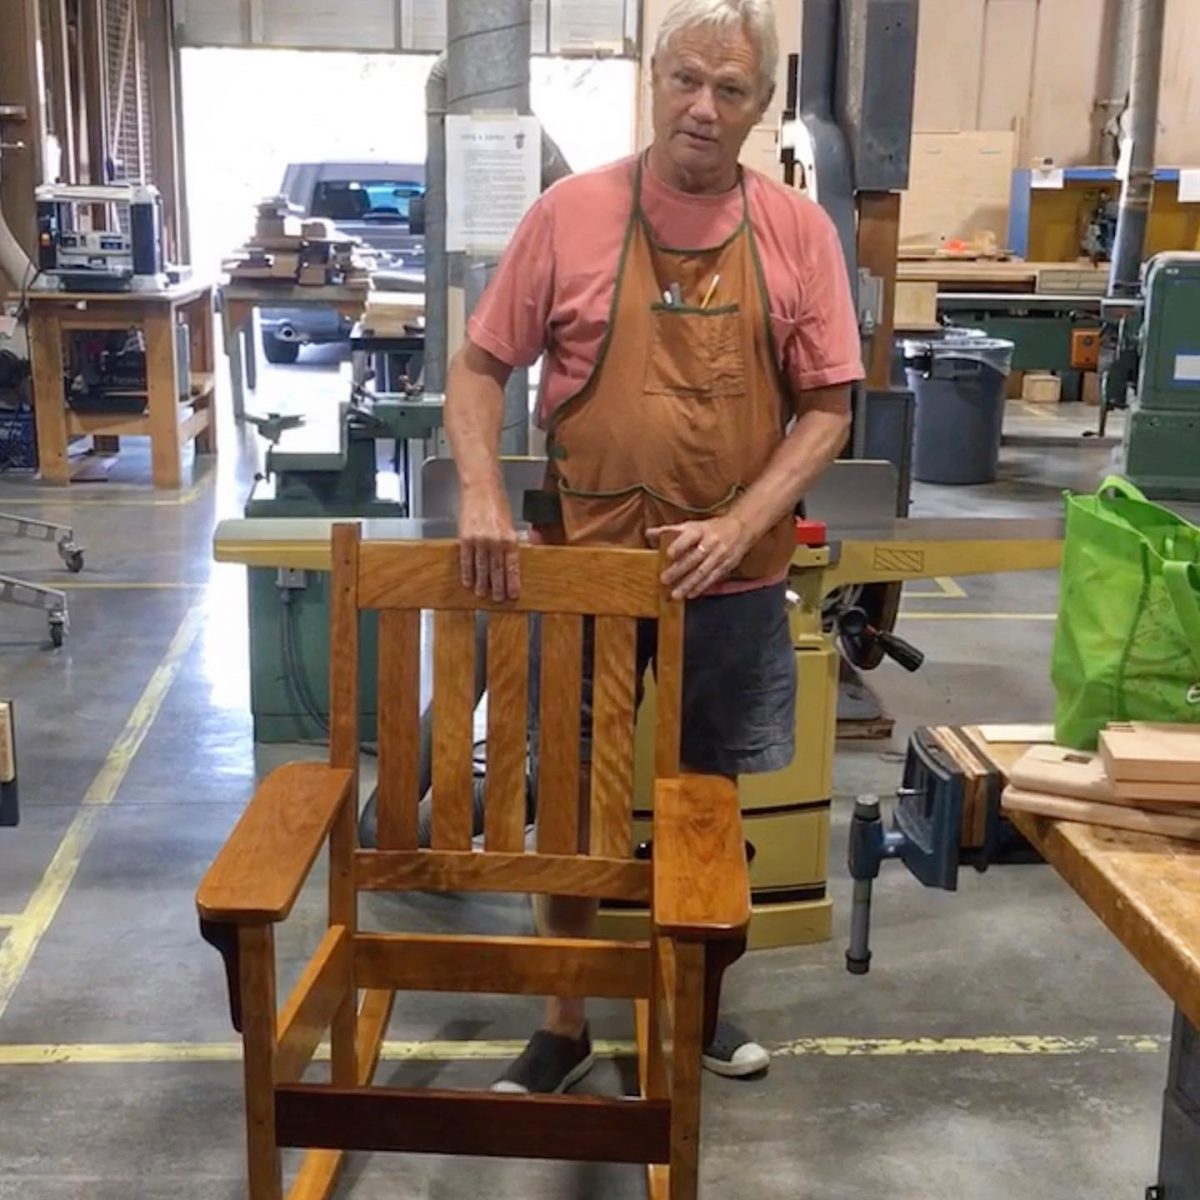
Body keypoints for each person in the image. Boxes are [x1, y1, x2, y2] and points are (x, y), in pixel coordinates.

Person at [444, 0, 864, 1094]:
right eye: (685, 79)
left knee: (705, 801)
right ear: (655, 84)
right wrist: (484, 490)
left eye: (730, 90)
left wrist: (738, 523)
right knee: (573, 796)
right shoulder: (569, 215)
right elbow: (480, 367)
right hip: (587, 563)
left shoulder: (798, 235)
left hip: (731, 578)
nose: (702, 106)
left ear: (761, 109)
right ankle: (566, 1018)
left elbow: (828, 406)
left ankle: (698, 1004)